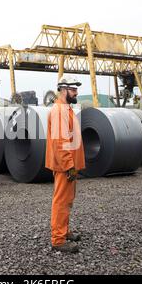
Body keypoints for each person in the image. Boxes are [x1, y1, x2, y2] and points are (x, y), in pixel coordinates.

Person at [46, 75, 86, 253]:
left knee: (67, 200)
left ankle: (64, 231)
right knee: (61, 201)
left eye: (76, 89)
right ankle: (58, 240)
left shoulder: (66, 109)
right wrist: (69, 165)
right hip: (65, 166)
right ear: (63, 90)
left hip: (69, 164)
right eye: (73, 89)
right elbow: (60, 141)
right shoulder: (59, 111)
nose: (76, 92)